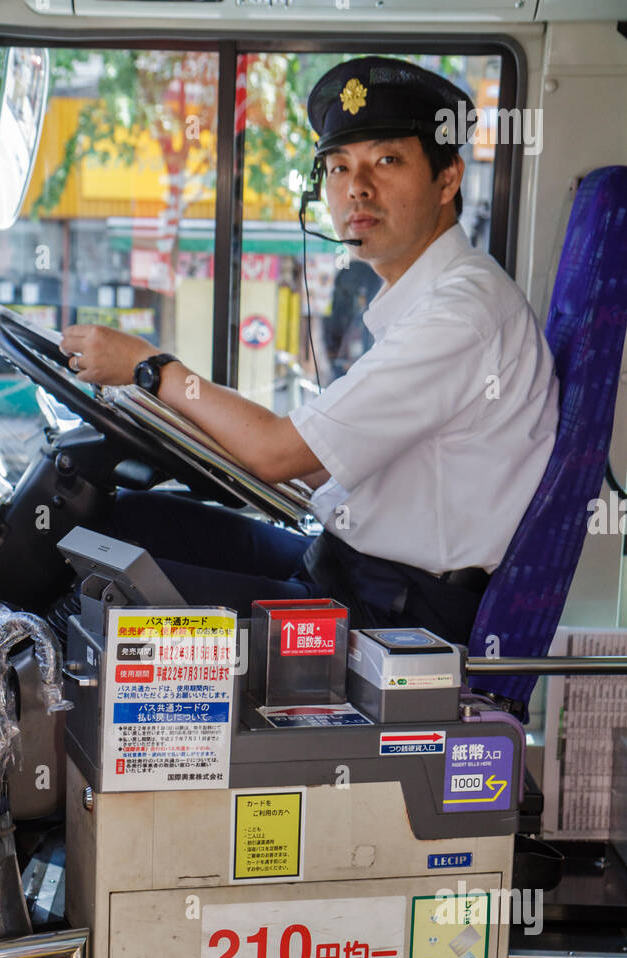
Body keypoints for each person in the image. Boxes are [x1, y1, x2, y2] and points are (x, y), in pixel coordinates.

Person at [60, 56, 559, 644]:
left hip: (392, 618)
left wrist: (151, 369)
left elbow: (277, 453)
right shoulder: (435, 299)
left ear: (448, 178)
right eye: (338, 166)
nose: (357, 187)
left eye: (387, 161)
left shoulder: (460, 316)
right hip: (348, 569)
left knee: (83, 591)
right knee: (121, 523)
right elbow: (317, 455)